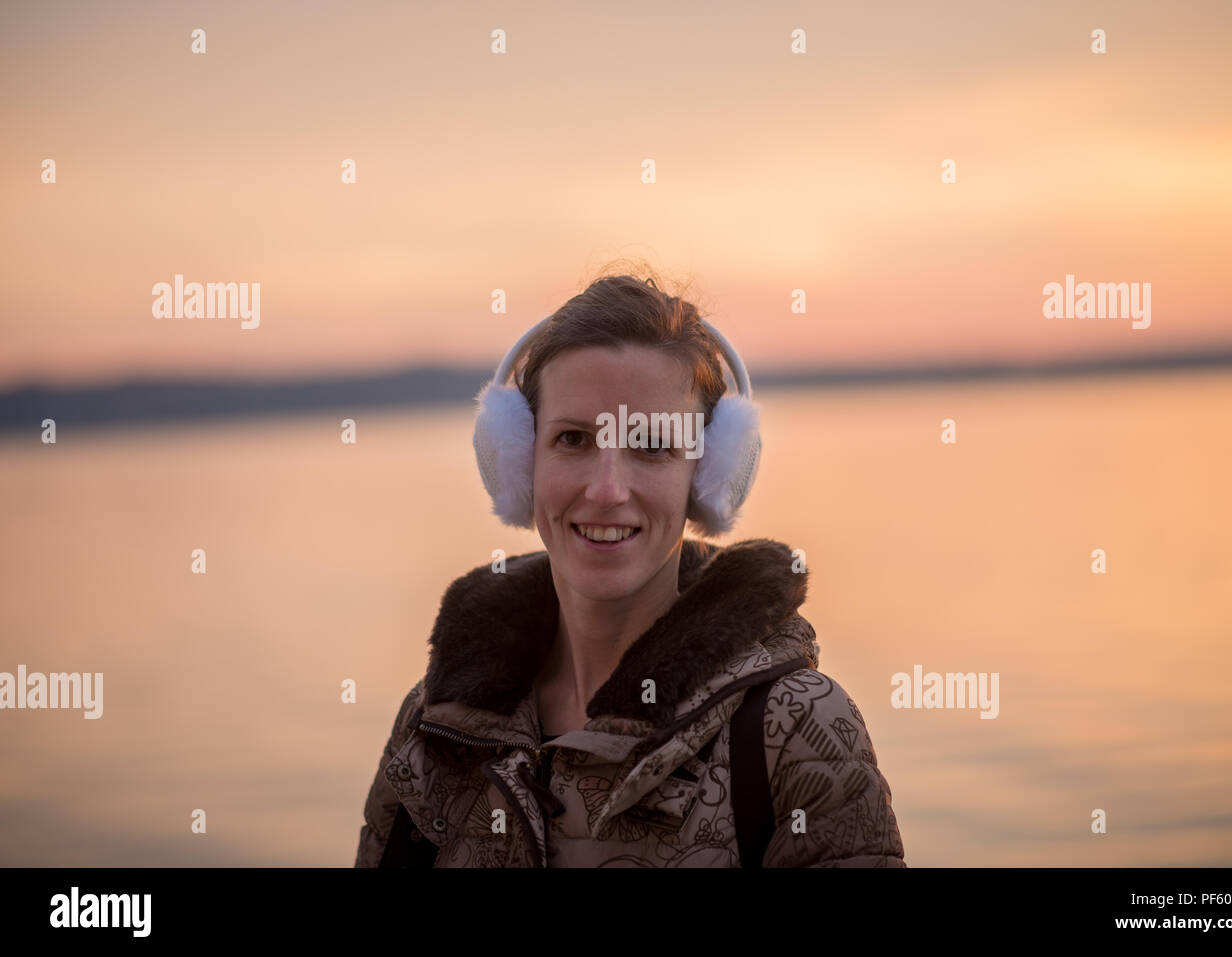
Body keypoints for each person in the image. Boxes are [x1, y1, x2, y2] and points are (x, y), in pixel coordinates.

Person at [354, 270, 905, 867]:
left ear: (708, 474)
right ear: (518, 461)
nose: (607, 489)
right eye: (573, 439)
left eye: (651, 445)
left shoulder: (796, 729)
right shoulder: (435, 721)